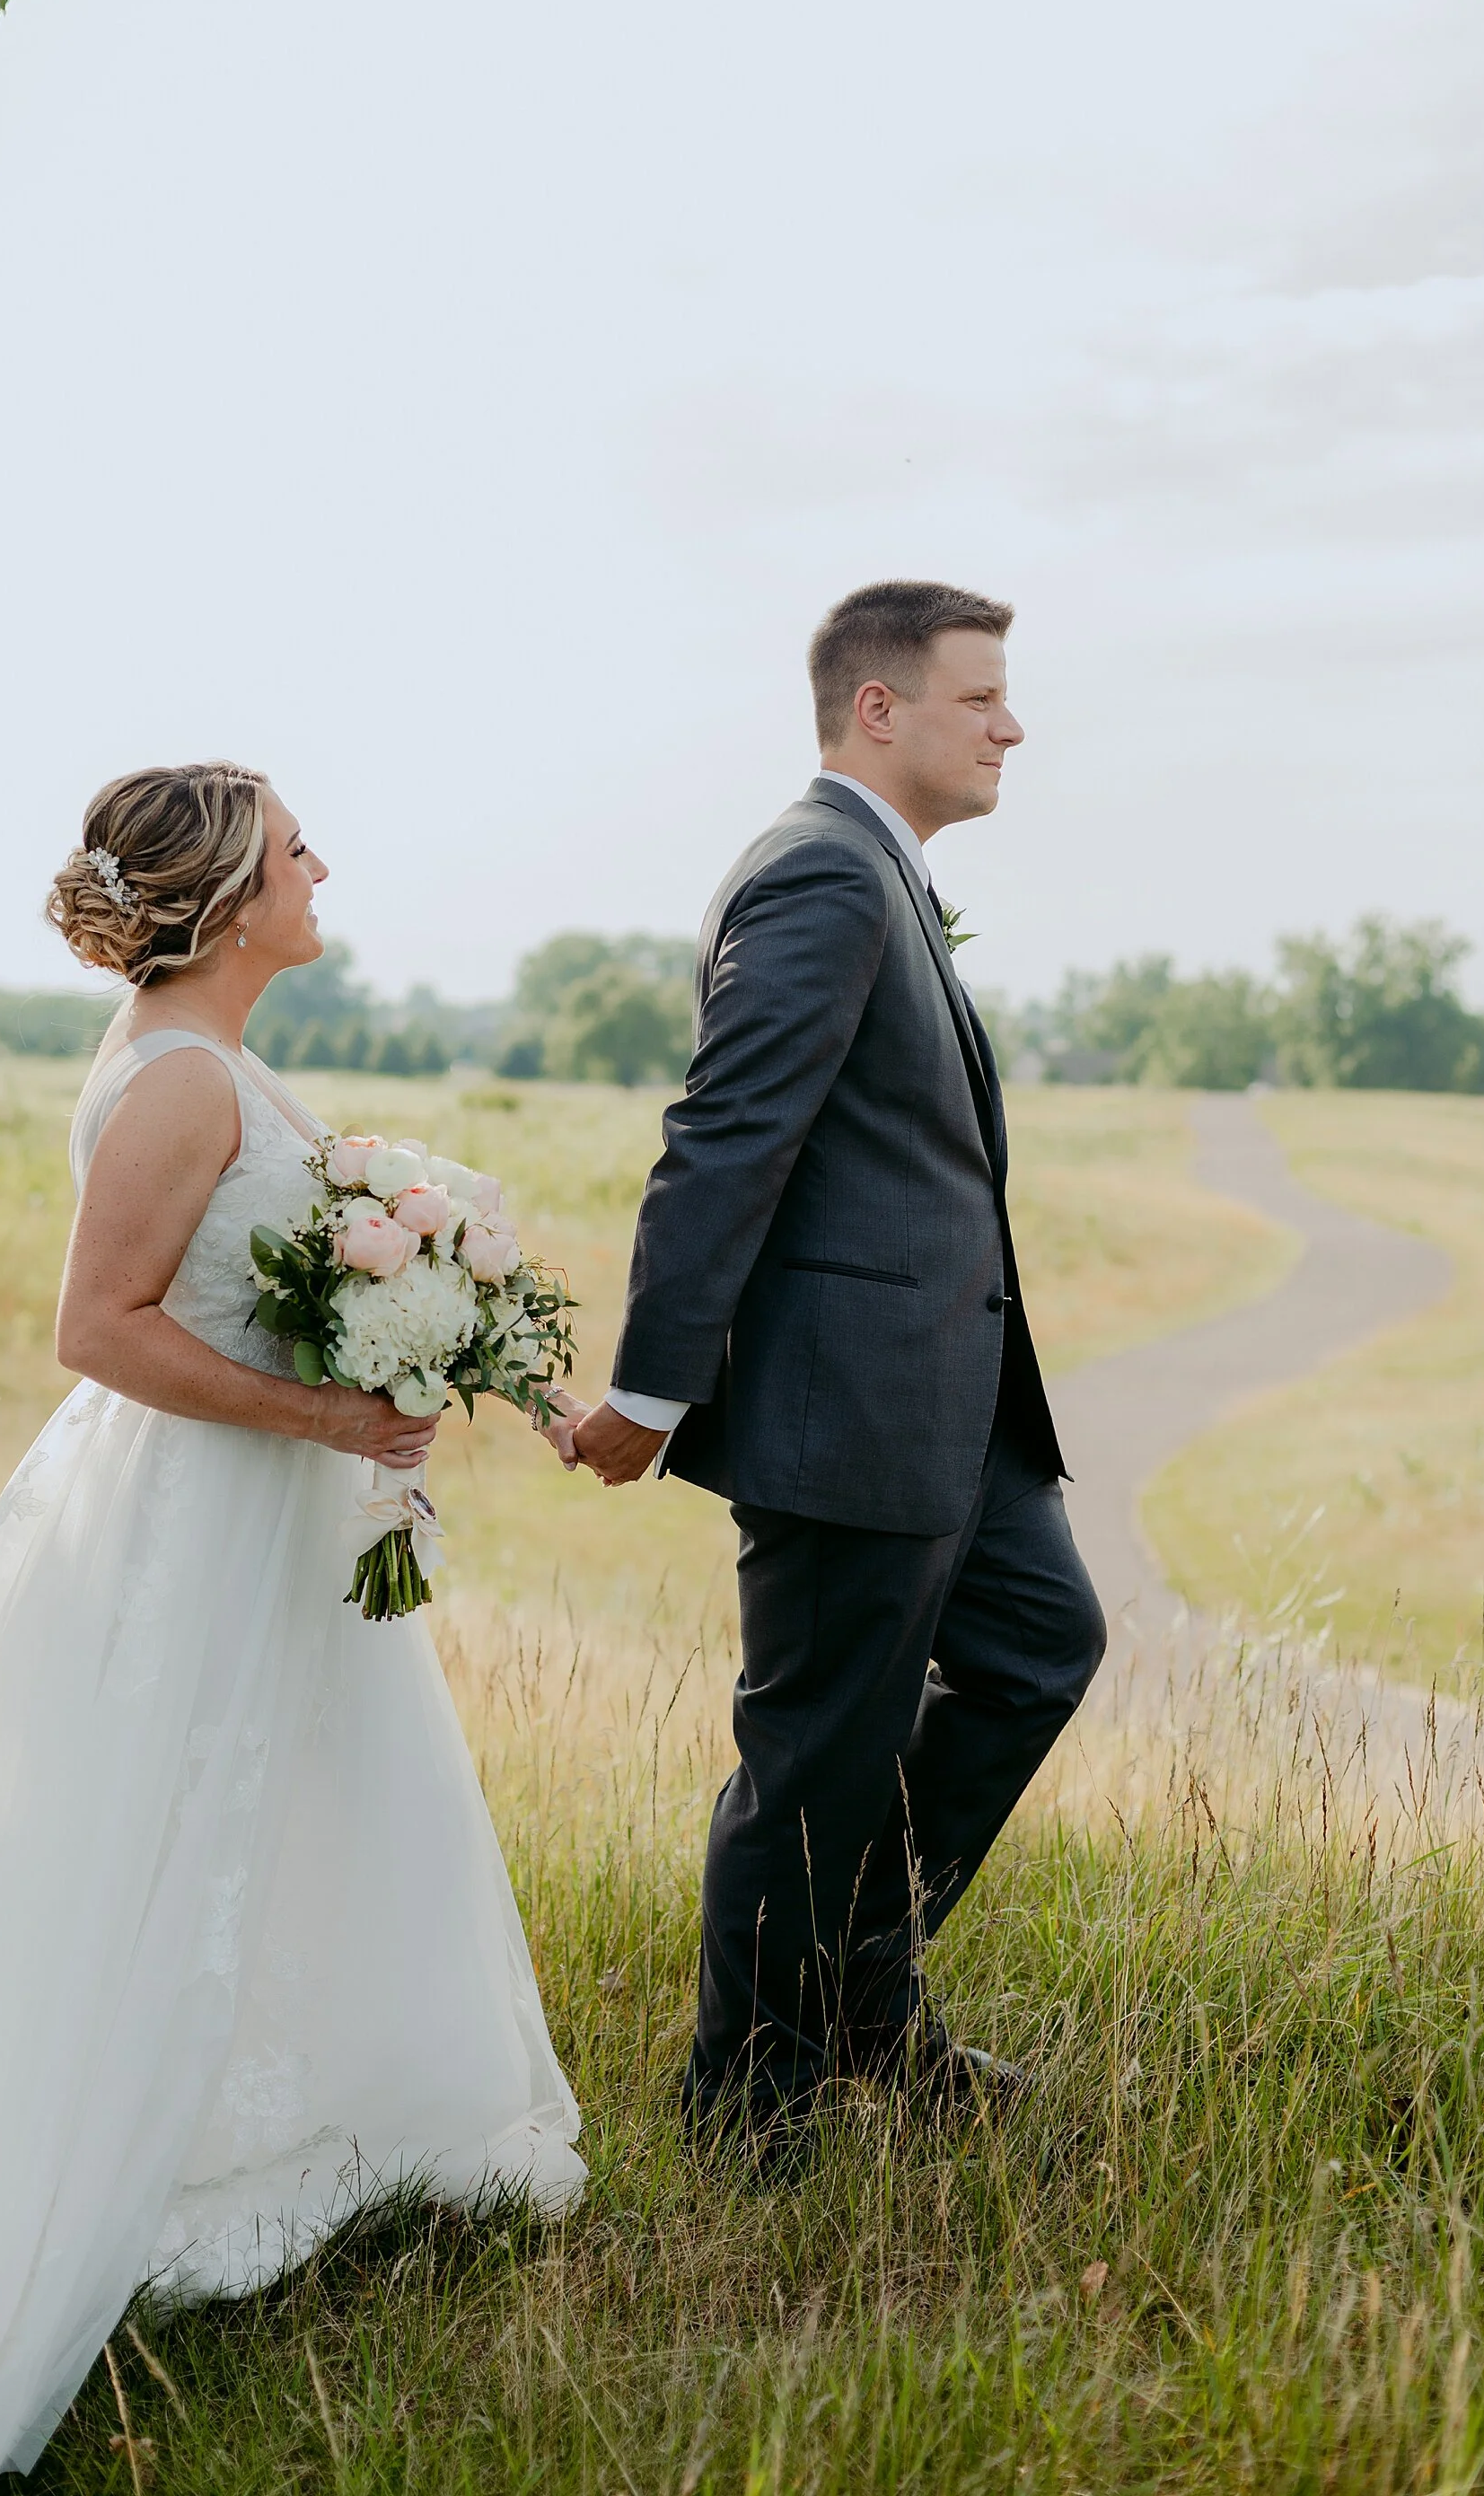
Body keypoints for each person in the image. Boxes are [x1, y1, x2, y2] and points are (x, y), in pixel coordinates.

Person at [0, 761, 584, 2496]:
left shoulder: (218, 1060)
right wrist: (334, 1420)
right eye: (294, 849)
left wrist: (428, 1339)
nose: (322, 862)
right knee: (149, 1832)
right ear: (226, 902)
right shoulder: (182, 1081)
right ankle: (123, 2162)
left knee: (292, 1818)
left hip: (251, 1513)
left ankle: (302, 2135)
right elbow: (96, 1328)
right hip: (186, 1516)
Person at [568, 581, 1108, 2144]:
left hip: (958, 1409)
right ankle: (749, 2105)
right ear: (881, 709)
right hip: (846, 1408)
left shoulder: (877, 870)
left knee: (1035, 1650)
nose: (1013, 724)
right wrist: (650, 1396)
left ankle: (867, 1992)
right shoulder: (819, 874)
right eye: (981, 695)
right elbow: (725, 1139)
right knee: (812, 1757)